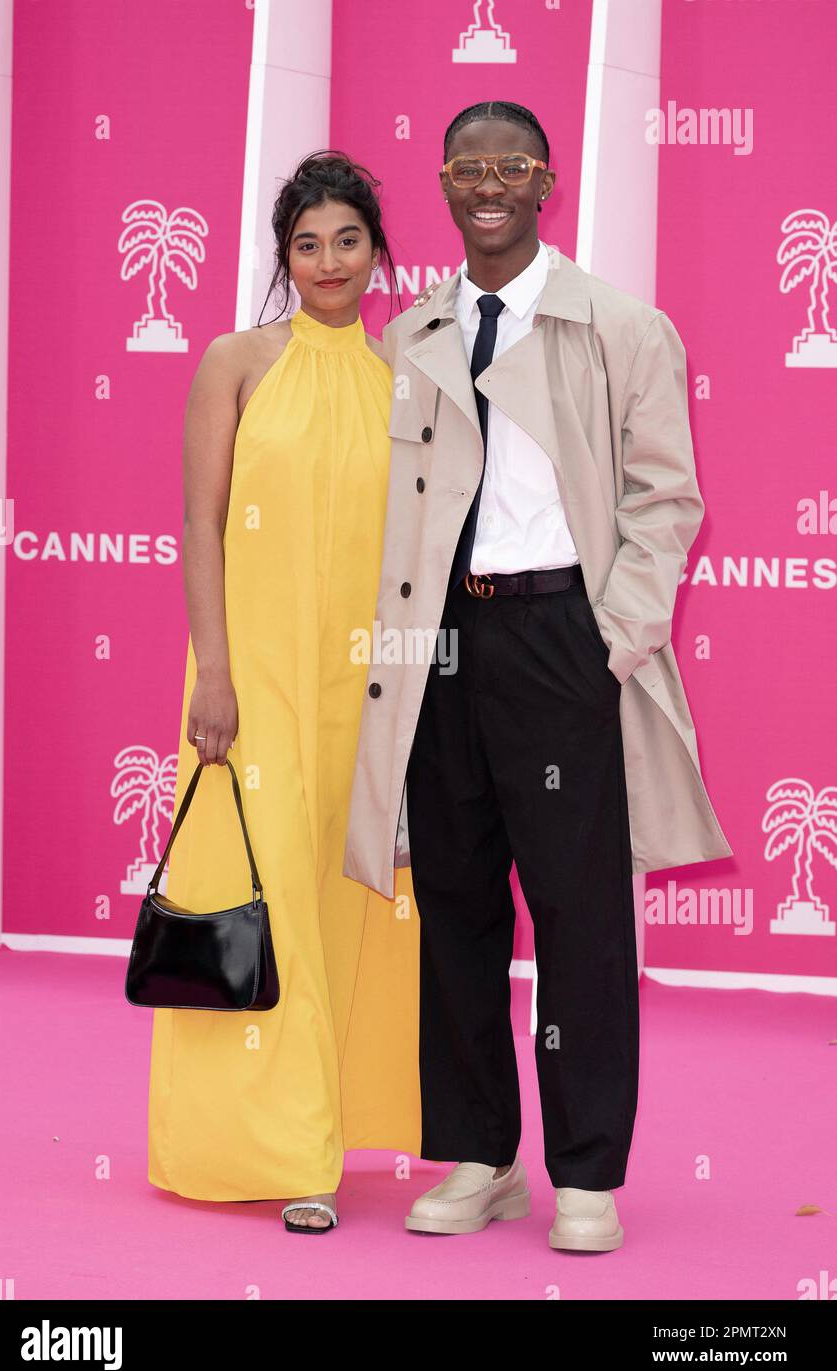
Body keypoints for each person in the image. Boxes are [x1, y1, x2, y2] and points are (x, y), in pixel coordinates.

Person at [343, 101, 733, 1249]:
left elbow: (666, 497)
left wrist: (614, 633)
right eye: (469, 167)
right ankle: (475, 1155)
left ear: (546, 181)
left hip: (561, 636)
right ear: (444, 182)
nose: (489, 185)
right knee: (455, 907)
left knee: (580, 915)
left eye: (511, 165)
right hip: (439, 653)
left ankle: (586, 1174)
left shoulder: (615, 323)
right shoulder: (408, 331)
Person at [147, 151, 421, 1233]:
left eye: (346, 240)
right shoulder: (234, 361)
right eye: (306, 244)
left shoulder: (401, 373)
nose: (327, 262)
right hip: (250, 677)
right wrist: (212, 672)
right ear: (283, 255)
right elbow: (195, 523)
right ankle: (289, 1149)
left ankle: (335, 1124)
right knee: (264, 903)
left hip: (363, 680)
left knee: (344, 900)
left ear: (376, 251)